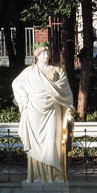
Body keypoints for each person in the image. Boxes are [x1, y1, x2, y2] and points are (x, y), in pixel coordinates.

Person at [11, 42, 75, 182]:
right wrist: (24, 99)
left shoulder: (57, 71)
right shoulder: (30, 71)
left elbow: (65, 92)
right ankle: (37, 176)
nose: (46, 55)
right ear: (37, 56)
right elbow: (16, 84)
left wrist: (69, 111)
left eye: (47, 53)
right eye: (43, 53)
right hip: (34, 112)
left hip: (52, 111)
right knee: (36, 146)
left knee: (52, 143)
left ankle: (56, 176)